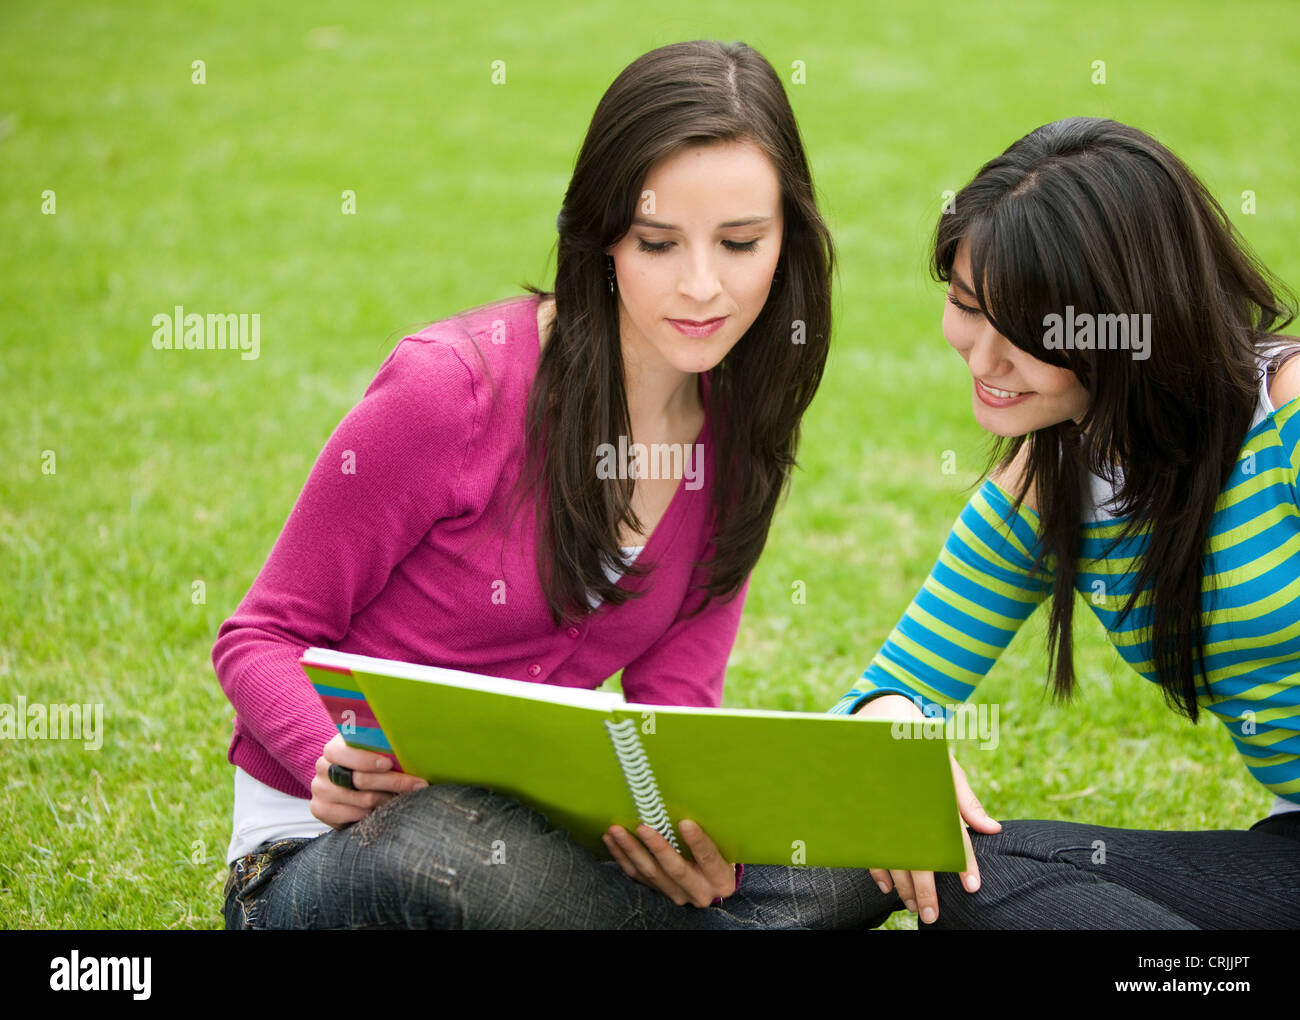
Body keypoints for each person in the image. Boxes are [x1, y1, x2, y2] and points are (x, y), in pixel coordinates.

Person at [214, 38, 845, 929]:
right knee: (445, 851)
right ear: (602, 237)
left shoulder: (737, 447)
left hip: (547, 853)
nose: (703, 287)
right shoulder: (450, 390)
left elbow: (673, 715)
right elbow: (259, 636)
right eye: (658, 243)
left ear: (785, 240)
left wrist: (691, 842)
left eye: (740, 243)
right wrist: (332, 754)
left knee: (852, 864)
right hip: (336, 854)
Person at [826, 116, 1300, 929]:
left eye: (1032, 336)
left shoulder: (1286, 421)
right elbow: (892, 687)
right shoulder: (1046, 488)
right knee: (976, 876)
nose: (983, 359)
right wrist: (892, 728)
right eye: (968, 308)